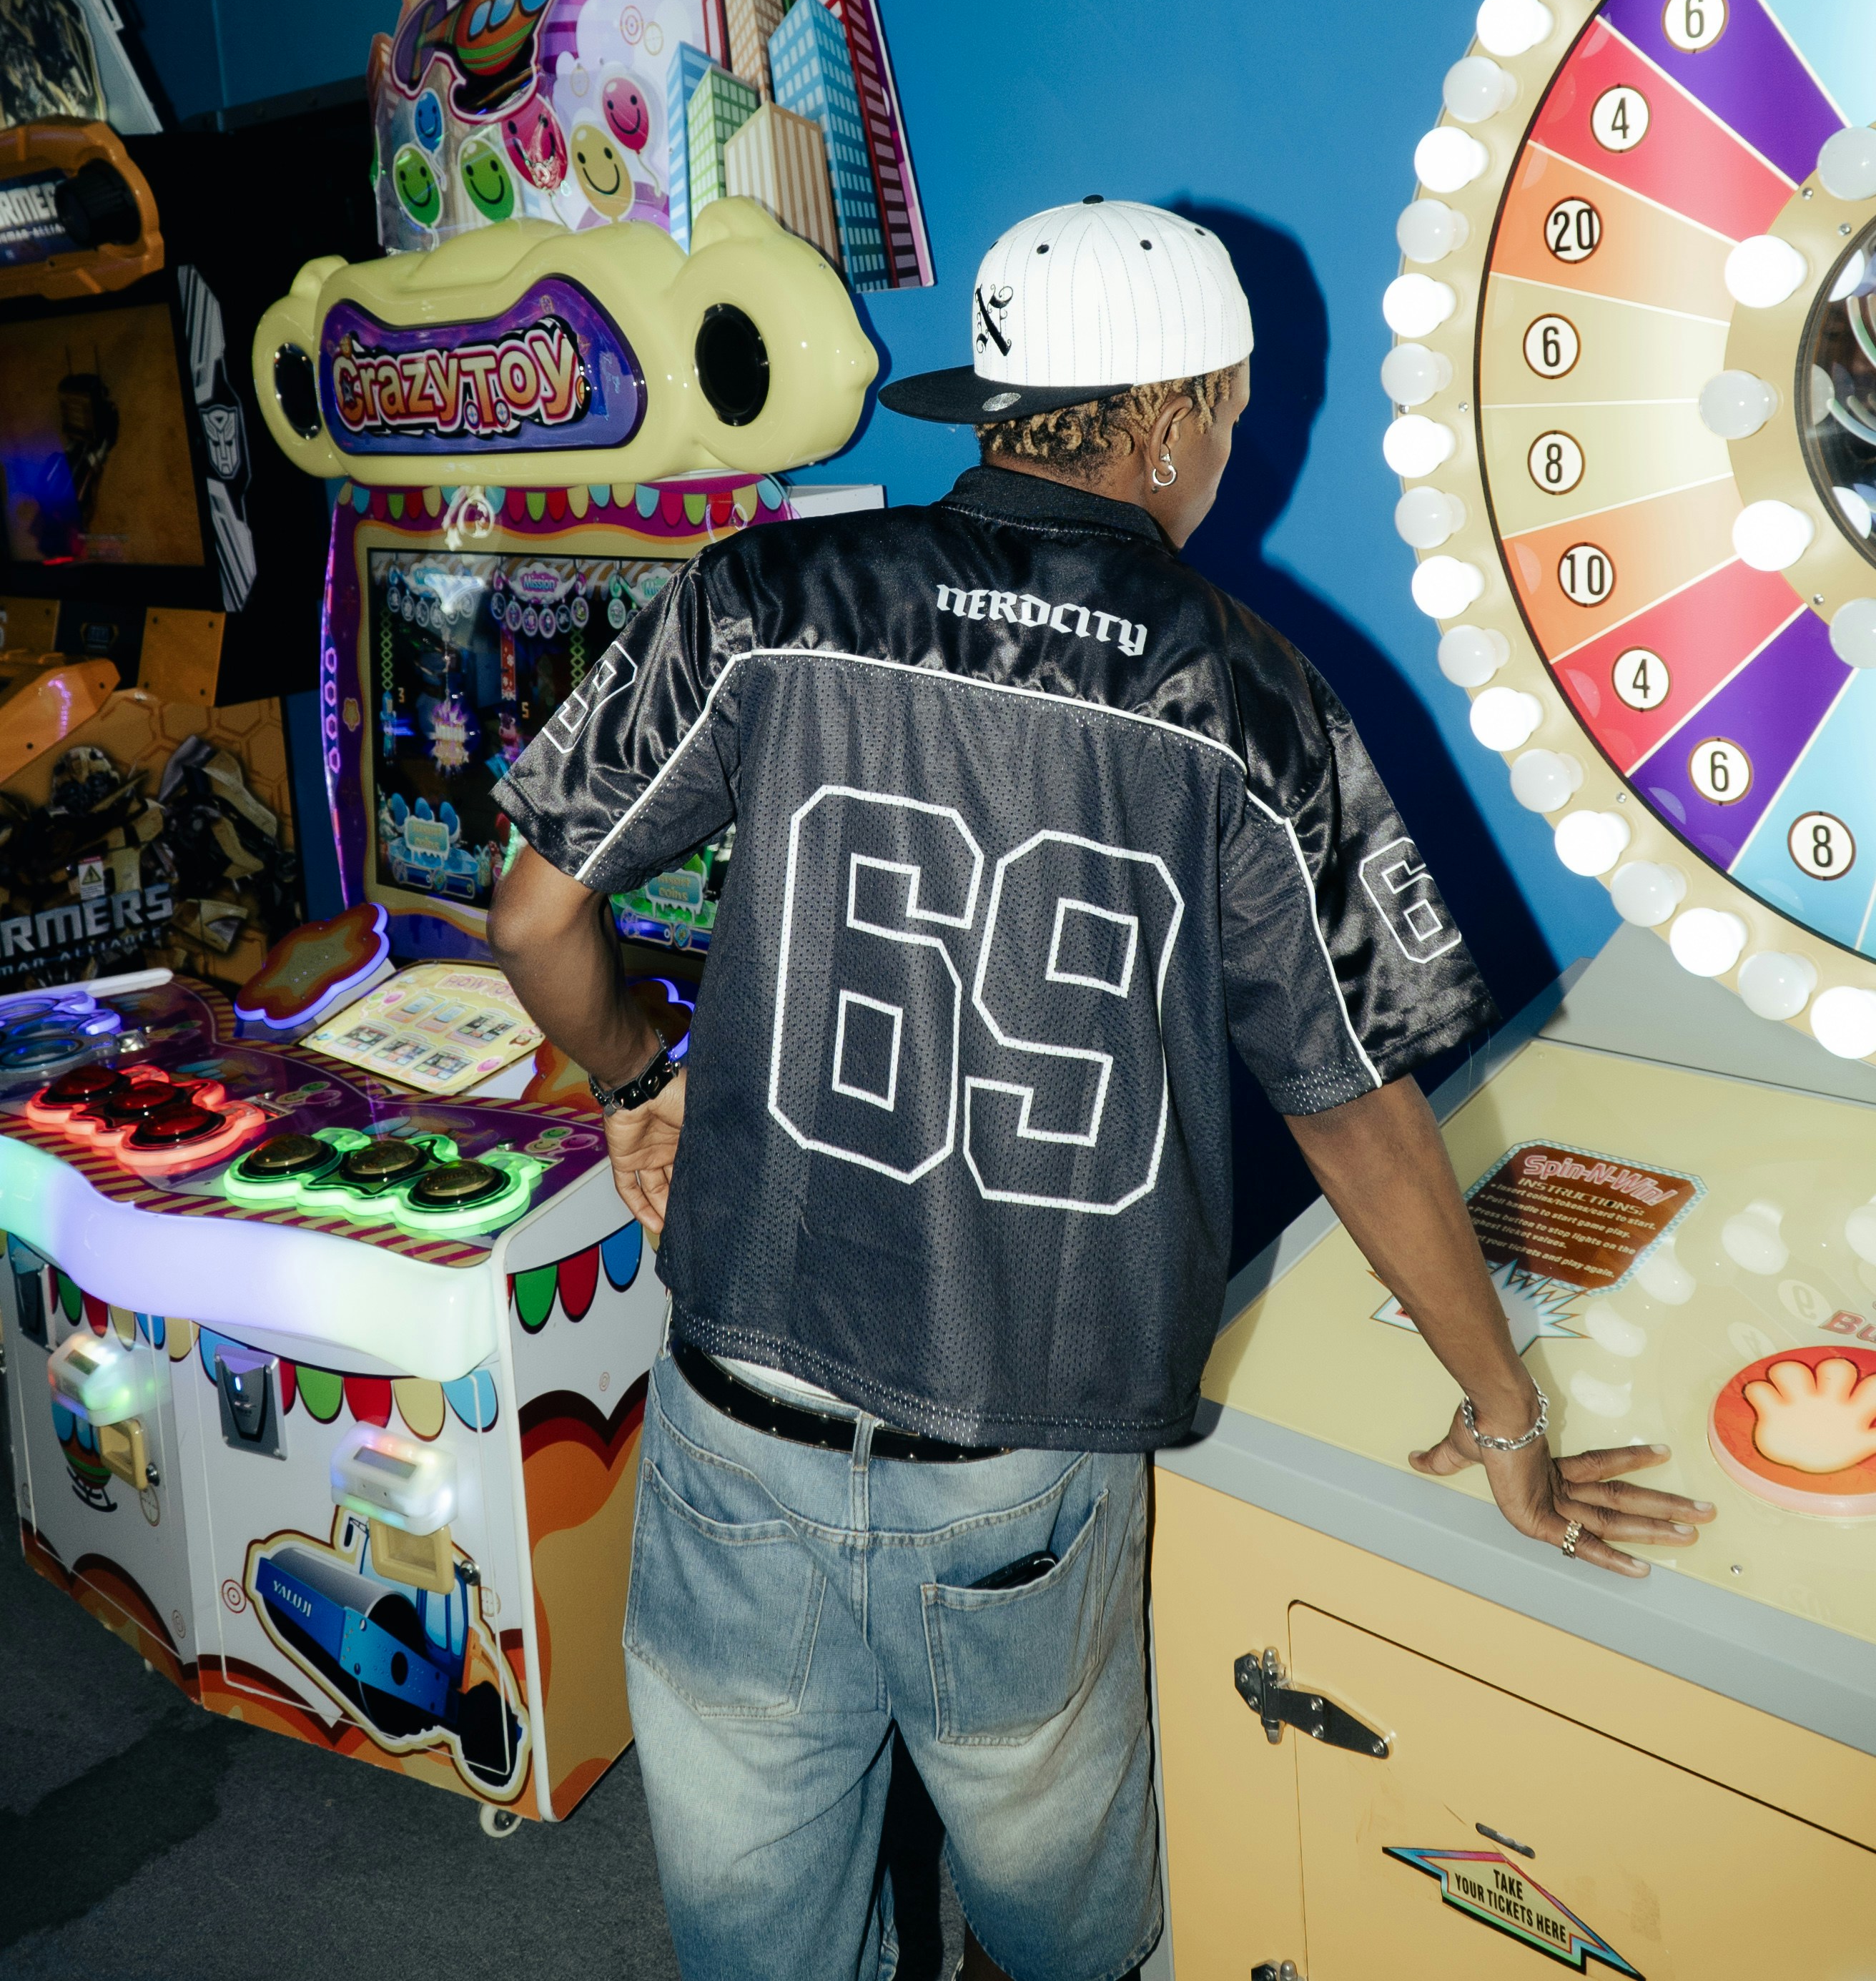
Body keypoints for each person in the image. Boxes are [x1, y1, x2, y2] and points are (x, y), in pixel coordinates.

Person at [487, 197, 1714, 1981]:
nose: (1226, 452)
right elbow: (1354, 1105)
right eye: (1226, 413)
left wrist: (639, 1075)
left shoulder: (767, 591)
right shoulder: (1254, 697)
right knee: (1062, 1923)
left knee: (758, 1938)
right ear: (1163, 418)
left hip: (734, 1403)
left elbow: (533, 912)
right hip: (1020, 1449)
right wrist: (1506, 1428)